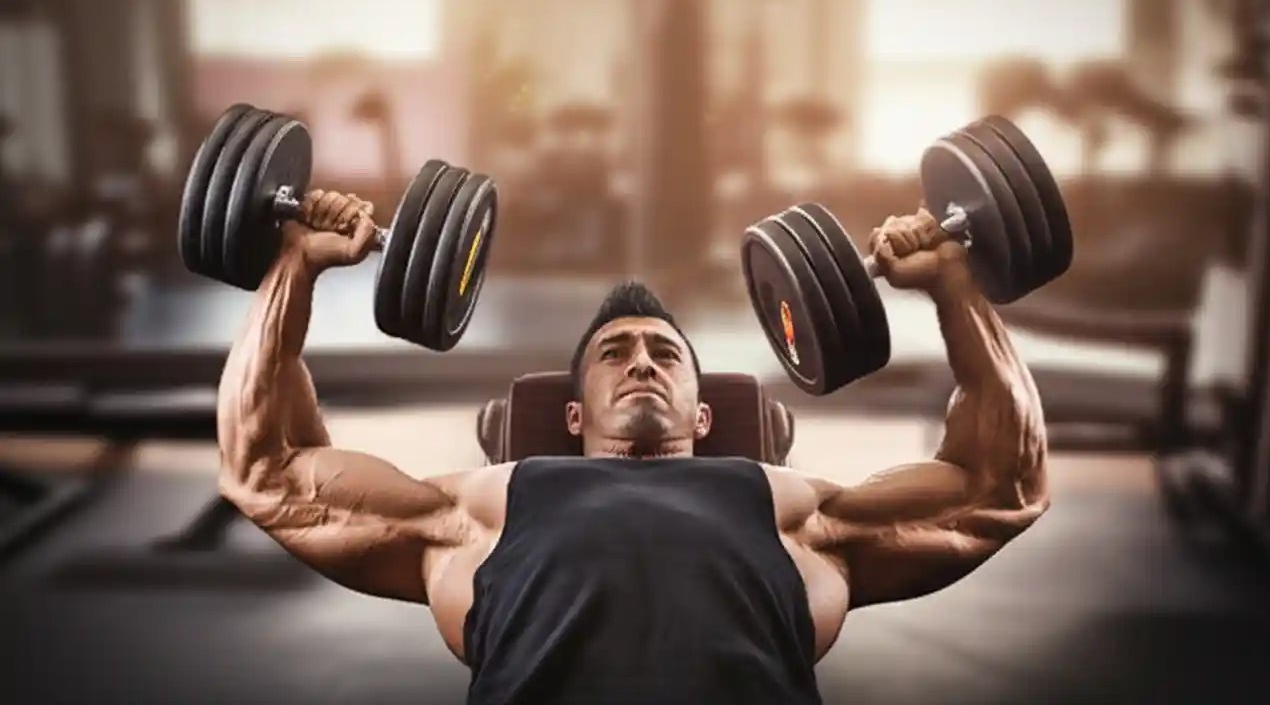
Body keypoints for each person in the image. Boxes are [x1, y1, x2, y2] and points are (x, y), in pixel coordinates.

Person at [217, 191, 1049, 704]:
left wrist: (955, 287)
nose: (643, 362)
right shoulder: (489, 502)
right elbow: (267, 471)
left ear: (706, 415)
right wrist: (296, 265)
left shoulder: (789, 506)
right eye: (614, 354)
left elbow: (999, 486)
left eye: (665, 354)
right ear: (573, 417)